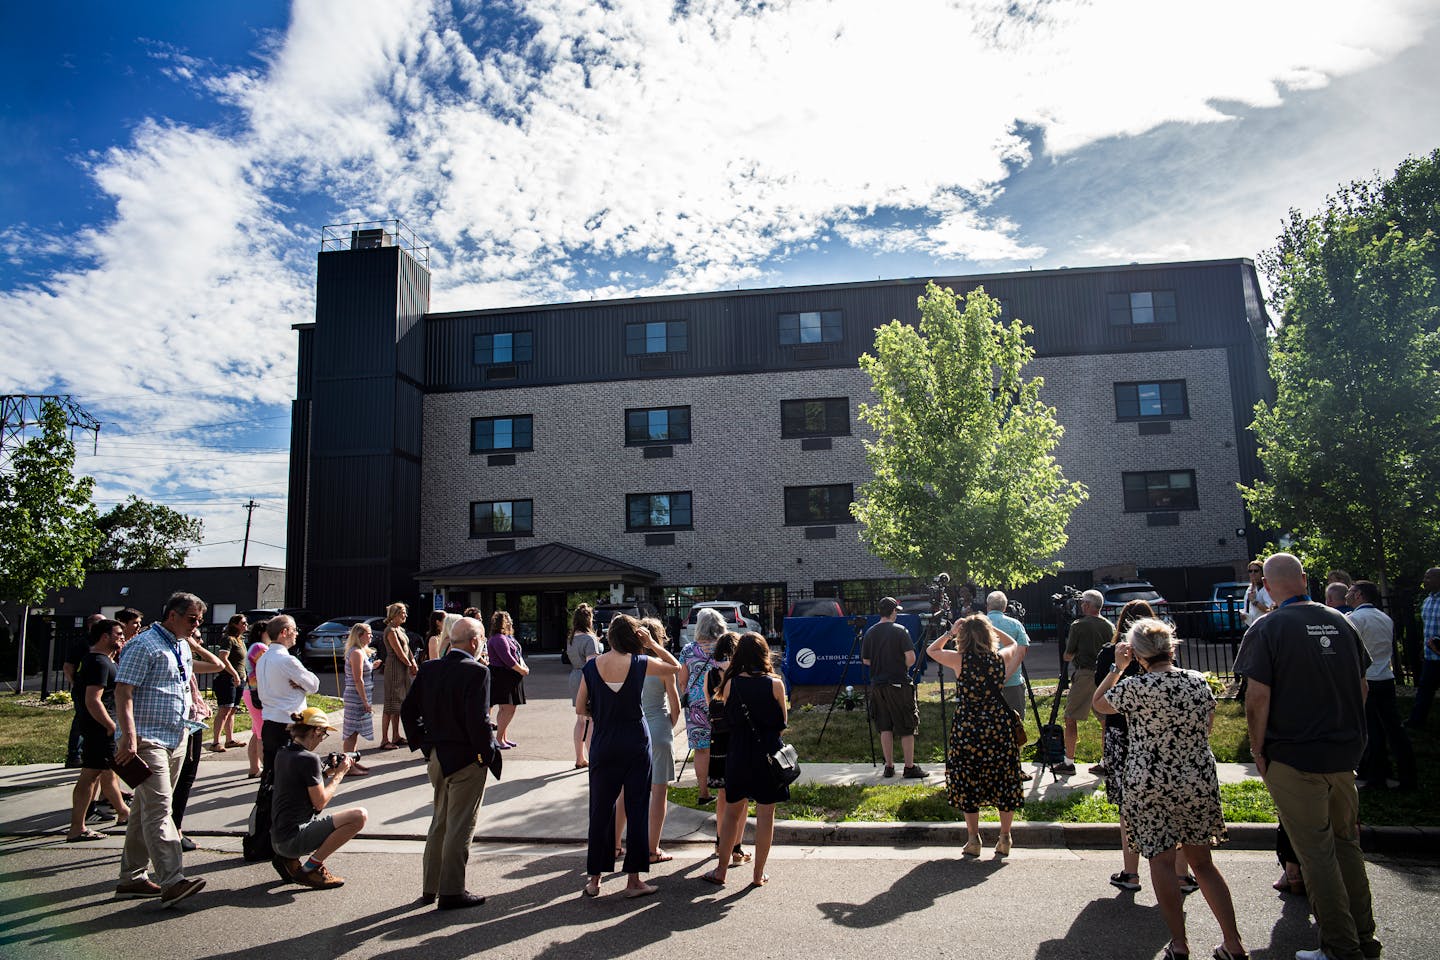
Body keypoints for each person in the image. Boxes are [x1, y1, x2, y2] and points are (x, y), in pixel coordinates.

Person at [1234, 553, 1378, 960]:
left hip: (1295, 755)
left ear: (1267, 585)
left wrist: (1258, 750)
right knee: (1347, 845)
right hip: (1343, 753)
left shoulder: (1267, 628)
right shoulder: (1342, 621)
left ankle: (1340, 947)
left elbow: (1257, 699)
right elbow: (1362, 688)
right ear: (1303, 578)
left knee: (1316, 854)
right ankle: (1364, 937)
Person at [1095, 618, 1246, 960]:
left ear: (1137, 653)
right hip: (1195, 779)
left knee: (1161, 862)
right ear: (1171, 648)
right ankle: (1233, 942)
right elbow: (1208, 727)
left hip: (1149, 781)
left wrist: (1117, 668)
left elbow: (1099, 703)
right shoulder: (1197, 682)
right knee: (1202, 863)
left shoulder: (1135, 686)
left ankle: (1179, 944)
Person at [112, 592, 223, 905]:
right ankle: (172, 880)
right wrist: (129, 736)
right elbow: (123, 692)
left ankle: (132, 878)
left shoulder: (182, 645)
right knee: (161, 809)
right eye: (192, 619)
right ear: (172, 615)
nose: (196, 625)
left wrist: (194, 709)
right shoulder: (143, 645)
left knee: (144, 809)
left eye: (199, 620)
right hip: (147, 740)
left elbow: (198, 674)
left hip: (176, 737)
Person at [576, 614, 682, 898]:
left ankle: (595, 879)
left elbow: (580, 708)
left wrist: (602, 710)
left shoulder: (591, 666)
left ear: (610, 637)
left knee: (600, 809)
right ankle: (633, 880)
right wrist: (653, 645)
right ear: (635, 637)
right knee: (637, 808)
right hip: (635, 740)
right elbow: (675, 667)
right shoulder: (641, 663)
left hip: (604, 741)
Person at [400, 615, 500, 910]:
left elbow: (408, 711)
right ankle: (452, 890)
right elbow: (478, 721)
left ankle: (430, 887)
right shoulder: (478, 672)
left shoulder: (430, 668)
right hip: (467, 758)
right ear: (474, 642)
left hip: (437, 755)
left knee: (440, 822)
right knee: (460, 825)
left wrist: (423, 744)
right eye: (482, 640)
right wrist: (487, 755)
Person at [927, 614, 1024, 858]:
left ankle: (973, 839)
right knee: (1003, 778)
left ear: (963, 637)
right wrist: (993, 628)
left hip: (968, 727)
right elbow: (1014, 644)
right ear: (988, 635)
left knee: (968, 778)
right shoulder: (999, 658)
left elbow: (931, 650)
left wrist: (950, 632)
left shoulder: (959, 660)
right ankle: (1005, 837)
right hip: (998, 726)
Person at [702, 632, 787, 888]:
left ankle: (721, 870)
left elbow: (727, 718)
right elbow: (782, 724)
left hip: (738, 753)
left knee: (732, 812)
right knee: (765, 815)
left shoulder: (730, 684)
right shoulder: (775, 684)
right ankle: (758, 874)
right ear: (764, 654)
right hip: (767, 756)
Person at [271, 707, 368, 889]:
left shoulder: (283, 753)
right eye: (323, 734)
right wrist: (339, 774)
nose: (322, 739)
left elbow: (300, 784)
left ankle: (289, 860)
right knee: (359, 816)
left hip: (277, 838)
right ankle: (310, 869)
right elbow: (320, 803)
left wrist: (327, 772)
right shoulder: (310, 759)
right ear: (315, 731)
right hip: (293, 839)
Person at [615, 617, 683, 864]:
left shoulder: (627, 665)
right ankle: (652, 849)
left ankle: (614, 845)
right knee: (658, 792)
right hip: (659, 727)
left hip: (632, 729)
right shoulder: (662, 667)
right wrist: (667, 727)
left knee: (625, 791)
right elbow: (675, 706)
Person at [1349, 580, 1416, 791]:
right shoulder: (1385, 617)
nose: (1348, 594)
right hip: (1385, 677)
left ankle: (1376, 776)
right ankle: (1407, 775)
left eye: (1351, 591)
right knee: (1395, 728)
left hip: (1367, 679)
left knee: (1372, 730)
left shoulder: (1354, 619)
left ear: (1359, 595)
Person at [67, 618, 130, 841]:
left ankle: (124, 813)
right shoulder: (98, 662)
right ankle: (77, 828)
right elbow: (93, 700)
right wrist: (110, 726)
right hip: (100, 729)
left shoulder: (102, 660)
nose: (122, 638)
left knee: (107, 772)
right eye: (118, 634)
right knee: (90, 776)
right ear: (105, 637)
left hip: (102, 728)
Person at [861, 596, 923, 779]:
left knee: (884, 726)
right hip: (898, 684)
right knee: (906, 726)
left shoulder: (870, 632)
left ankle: (889, 766)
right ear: (893, 611)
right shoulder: (900, 631)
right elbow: (911, 659)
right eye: (896, 611)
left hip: (878, 685)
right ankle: (909, 767)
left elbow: (866, 660)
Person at [704, 631, 750, 867]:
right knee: (741, 797)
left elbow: (709, 705)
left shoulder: (711, 675)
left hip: (718, 739)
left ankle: (720, 842)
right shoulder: (742, 676)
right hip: (739, 739)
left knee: (722, 794)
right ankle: (736, 848)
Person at [254, 615, 320, 777]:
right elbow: (314, 685)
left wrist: (301, 684)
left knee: (271, 773)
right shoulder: (287, 660)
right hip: (288, 723)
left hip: (269, 721)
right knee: (288, 777)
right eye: (294, 630)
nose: (297, 633)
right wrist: (302, 684)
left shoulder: (263, 659)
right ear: (284, 632)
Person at [1059, 589, 1109, 775]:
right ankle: (1105, 761)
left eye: (1082, 603)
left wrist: (1070, 655)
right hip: (1104, 676)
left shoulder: (1078, 625)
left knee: (1070, 717)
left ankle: (1068, 761)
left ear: (1088, 605)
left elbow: (1068, 654)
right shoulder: (1109, 626)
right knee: (1105, 720)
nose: (1081, 605)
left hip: (1085, 674)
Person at [678, 608, 725, 803]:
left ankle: (703, 793)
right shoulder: (726, 647)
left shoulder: (688, 650)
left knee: (701, 749)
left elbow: (682, 682)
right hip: (721, 701)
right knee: (724, 745)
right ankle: (724, 790)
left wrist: (692, 693)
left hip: (696, 705)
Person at [487, 610, 530, 749]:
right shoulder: (498, 638)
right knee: (507, 708)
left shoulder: (507, 637)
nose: (511, 623)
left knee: (507, 708)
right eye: (508, 620)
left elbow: (517, 654)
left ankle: (503, 737)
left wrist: (523, 666)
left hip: (510, 675)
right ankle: (499, 739)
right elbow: (507, 659)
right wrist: (521, 670)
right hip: (503, 676)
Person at [567, 604, 603, 768]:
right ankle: (593, 757)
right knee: (591, 720)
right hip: (587, 678)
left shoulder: (572, 638)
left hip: (574, 675)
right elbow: (591, 664)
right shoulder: (590, 639)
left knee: (581, 719)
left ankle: (579, 758)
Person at [380, 602, 417, 750]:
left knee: (398, 704)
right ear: (395, 615)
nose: (405, 615)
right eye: (403, 613)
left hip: (402, 668)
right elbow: (399, 652)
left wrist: (413, 662)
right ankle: (384, 739)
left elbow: (407, 649)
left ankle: (396, 735)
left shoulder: (400, 629)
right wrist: (410, 665)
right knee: (390, 704)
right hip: (394, 668)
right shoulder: (390, 630)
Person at [1407, 565, 1440, 728]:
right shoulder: (1427, 601)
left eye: (1429, 577)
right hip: (1430, 656)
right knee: (1424, 690)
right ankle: (1417, 721)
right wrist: (1424, 648)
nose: (1424, 580)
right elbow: (1427, 628)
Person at [340, 622, 375, 773]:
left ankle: (352, 762)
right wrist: (365, 701)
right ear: (359, 635)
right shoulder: (356, 652)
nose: (371, 636)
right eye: (369, 633)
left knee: (355, 731)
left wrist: (373, 666)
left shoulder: (361, 651)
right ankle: (348, 766)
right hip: (355, 697)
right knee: (351, 732)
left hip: (359, 695)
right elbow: (357, 679)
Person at [211, 614, 249, 752]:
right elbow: (223, 658)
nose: (246, 625)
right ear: (235, 624)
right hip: (228, 679)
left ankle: (229, 739)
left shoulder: (241, 640)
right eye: (243, 623)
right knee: (224, 710)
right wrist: (234, 674)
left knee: (232, 710)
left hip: (240, 678)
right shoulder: (228, 639)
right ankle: (215, 742)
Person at [241, 620, 269, 778]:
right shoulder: (260, 647)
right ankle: (267, 771)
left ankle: (254, 768)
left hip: (251, 692)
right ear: (261, 633)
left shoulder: (255, 646)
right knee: (262, 734)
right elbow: (268, 667)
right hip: (256, 693)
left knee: (256, 731)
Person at [1242, 560, 1272, 627]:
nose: (1252, 573)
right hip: (1251, 626)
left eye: (1256, 571)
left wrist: (1254, 601)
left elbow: (1270, 610)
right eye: (1250, 571)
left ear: (1262, 572)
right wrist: (1244, 615)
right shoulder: (1249, 588)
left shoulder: (1266, 588)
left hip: (1264, 626)